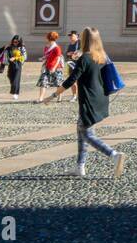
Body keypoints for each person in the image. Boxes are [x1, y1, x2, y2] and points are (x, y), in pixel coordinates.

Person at [40, 26, 127, 179]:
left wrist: (52, 96)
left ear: (85, 40)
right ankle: (80, 166)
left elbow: (71, 80)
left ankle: (114, 155)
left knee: (87, 134)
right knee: (81, 130)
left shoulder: (85, 58)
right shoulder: (101, 55)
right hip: (100, 98)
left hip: (89, 101)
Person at [35, 31, 65, 102]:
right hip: (47, 67)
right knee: (43, 82)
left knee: (58, 83)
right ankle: (41, 98)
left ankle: (59, 97)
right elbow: (46, 56)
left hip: (56, 68)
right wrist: (43, 58)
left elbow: (58, 58)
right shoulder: (46, 47)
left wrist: (54, 67)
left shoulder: (57, 48)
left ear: (48, 38)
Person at [4, 34, 27, 100]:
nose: (15, 43)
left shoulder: (22, 48)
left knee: (16, 79)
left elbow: (25, 57)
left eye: (16, 42)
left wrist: (15, 58)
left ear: (19, 42)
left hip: (18, 64)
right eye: (14, 41)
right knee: (10, 76)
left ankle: (15, 93)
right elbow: (5, 54)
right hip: (11, 64)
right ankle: (14, 89)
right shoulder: (10, 47)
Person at [64, 30, 81, 101]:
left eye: (72, 35)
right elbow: (67, 54)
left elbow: (82, 52)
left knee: (81, 81)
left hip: (80, 64)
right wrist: (70, 54)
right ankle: (74, 96)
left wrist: (75, 53)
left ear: (77, 36)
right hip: (71, 64)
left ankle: (81, 96)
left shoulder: (80, 43)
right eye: (70, 36)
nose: (70, 37)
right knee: (73, 80)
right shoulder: (70, 44)